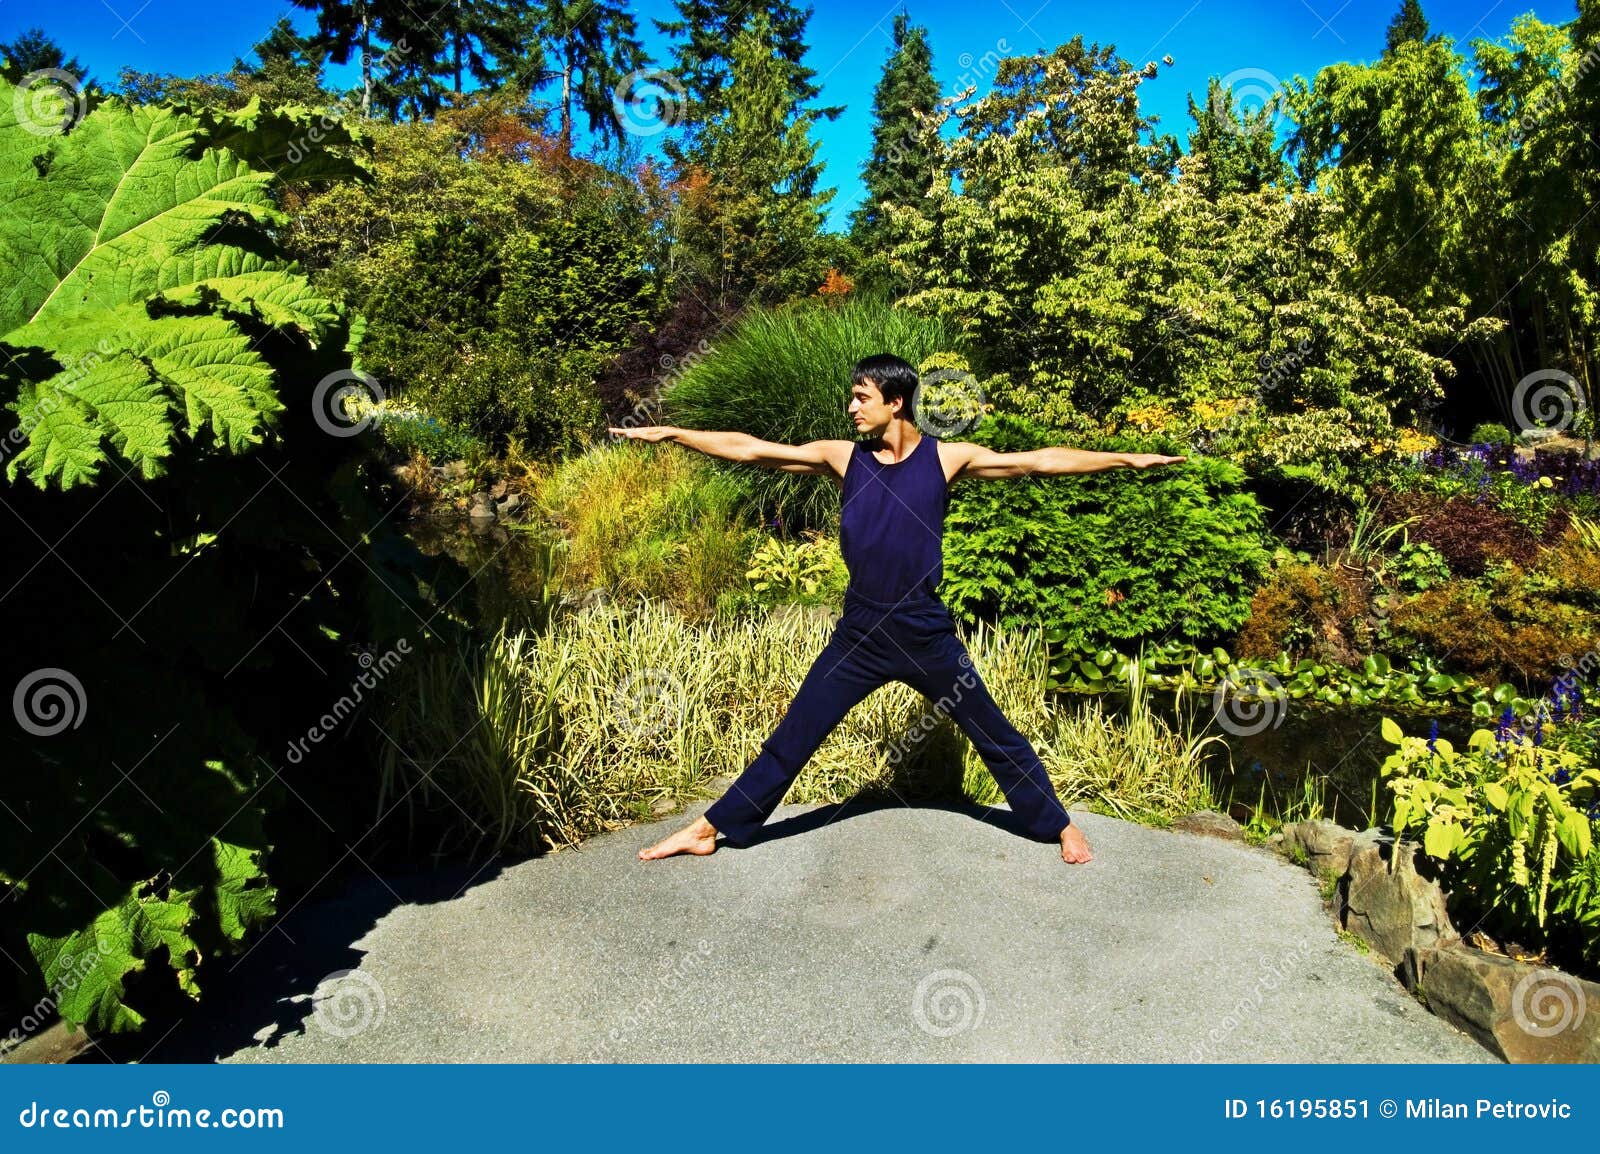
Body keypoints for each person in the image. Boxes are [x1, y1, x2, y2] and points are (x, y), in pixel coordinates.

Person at [612, 353, 1185, 864]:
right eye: (853, 397)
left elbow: (1037, 461)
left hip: (923, 634)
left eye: (862, 398)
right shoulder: (842, 458)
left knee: (992, 730)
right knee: (795, 734)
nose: (852, 408)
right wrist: (674, 434)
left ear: (896, 401)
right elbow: (751, 449)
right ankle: (712, 827)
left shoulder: (945, 459)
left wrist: (1125, 459)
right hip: (859, 633)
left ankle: (1056, 823)